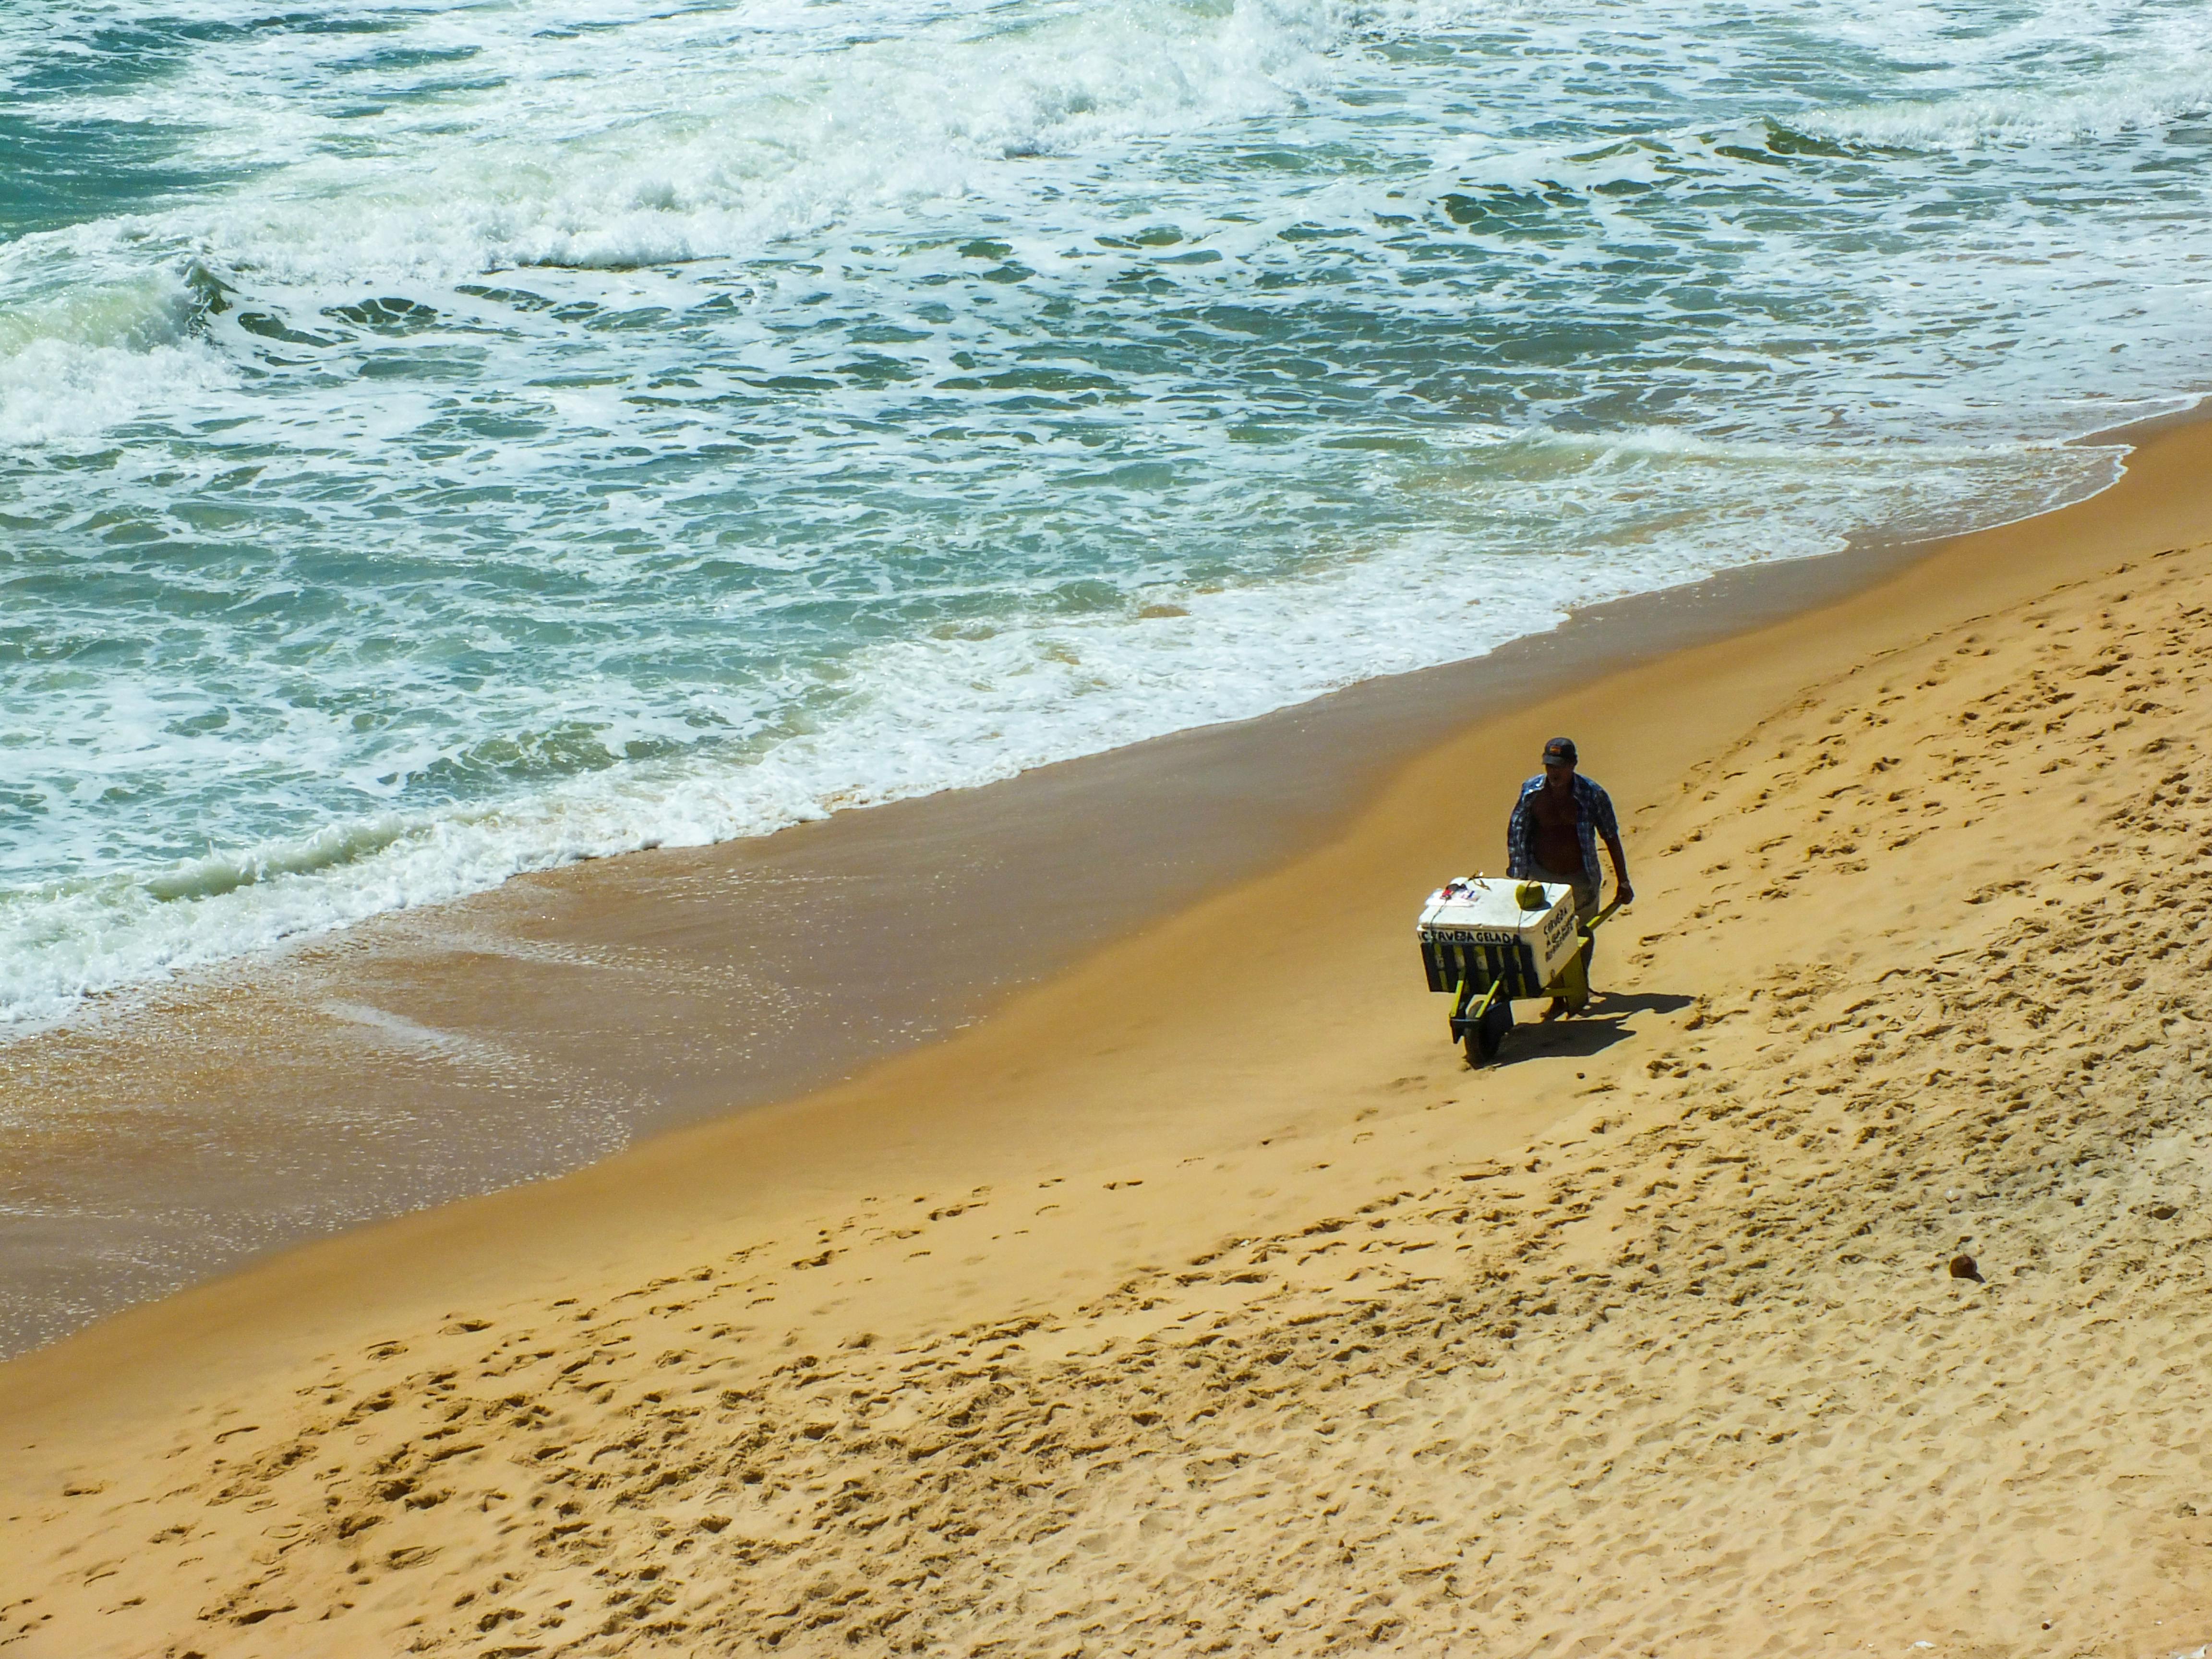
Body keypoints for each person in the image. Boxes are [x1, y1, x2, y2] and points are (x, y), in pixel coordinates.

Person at [1505, 736, 1634, 1011]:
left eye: (1560, 766)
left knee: (1580, 935)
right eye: (1550, 765)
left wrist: (1623, 881)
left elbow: (1610, 835)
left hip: (1580, 878)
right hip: (1541, 877)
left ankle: (1579, 984)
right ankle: (1557, 996)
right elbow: (1517, 831)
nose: (1554, 772)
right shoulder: (1531, 792)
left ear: (1573, 764)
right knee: (1546, 939)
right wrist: (1519, 875)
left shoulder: (1592, 794)